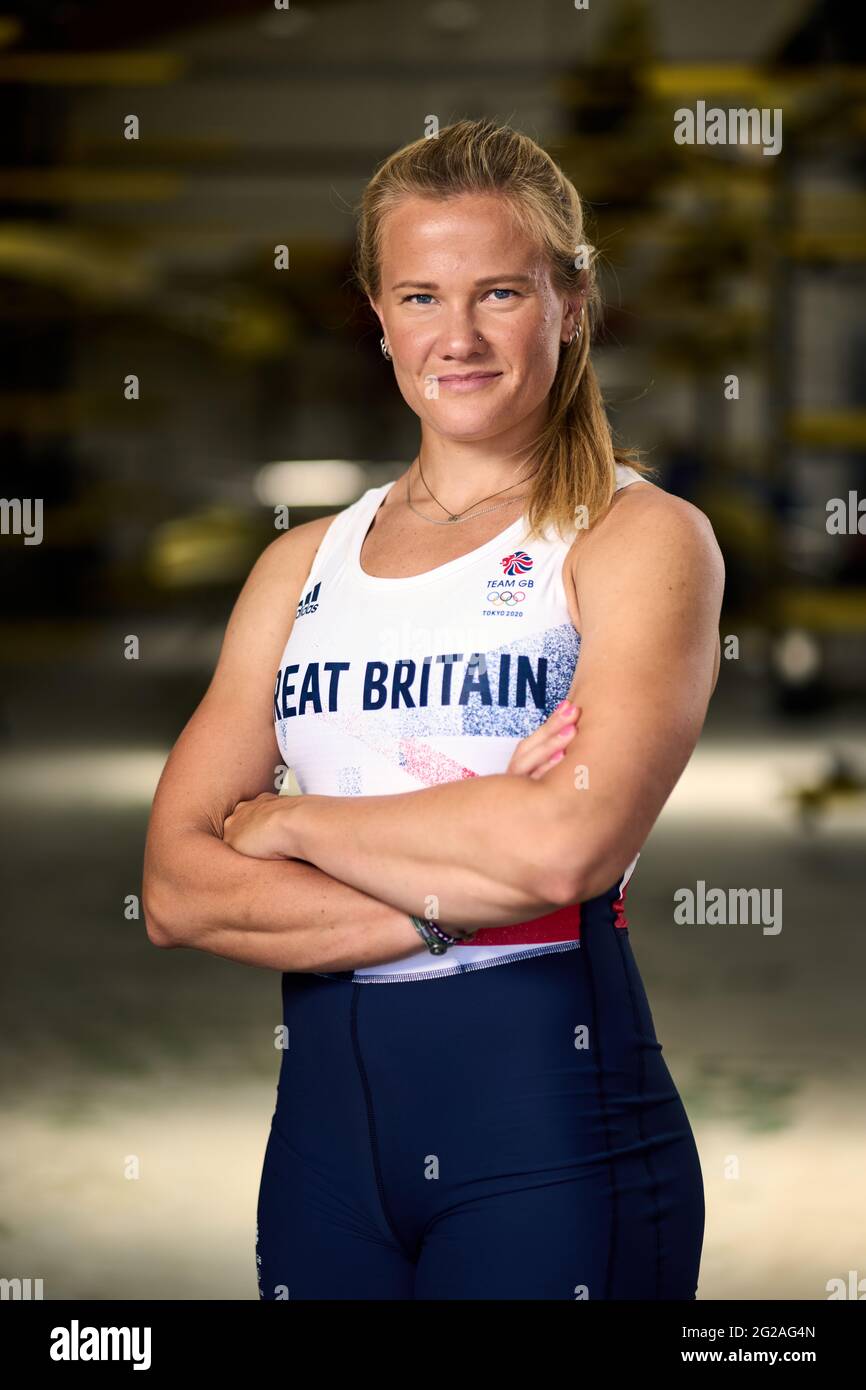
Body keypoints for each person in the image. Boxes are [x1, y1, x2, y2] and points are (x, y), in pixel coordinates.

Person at [143, 118, 724, 1301]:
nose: (454, 337)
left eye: (498, 291)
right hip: (319, 1142)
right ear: (376, 313)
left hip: (550, 1134)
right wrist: (469, 875)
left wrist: (290, 826)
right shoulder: (301, 565)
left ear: (569, 301)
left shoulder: (634, 539)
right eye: (418, 294)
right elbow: (173, 887)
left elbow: (564, 844)